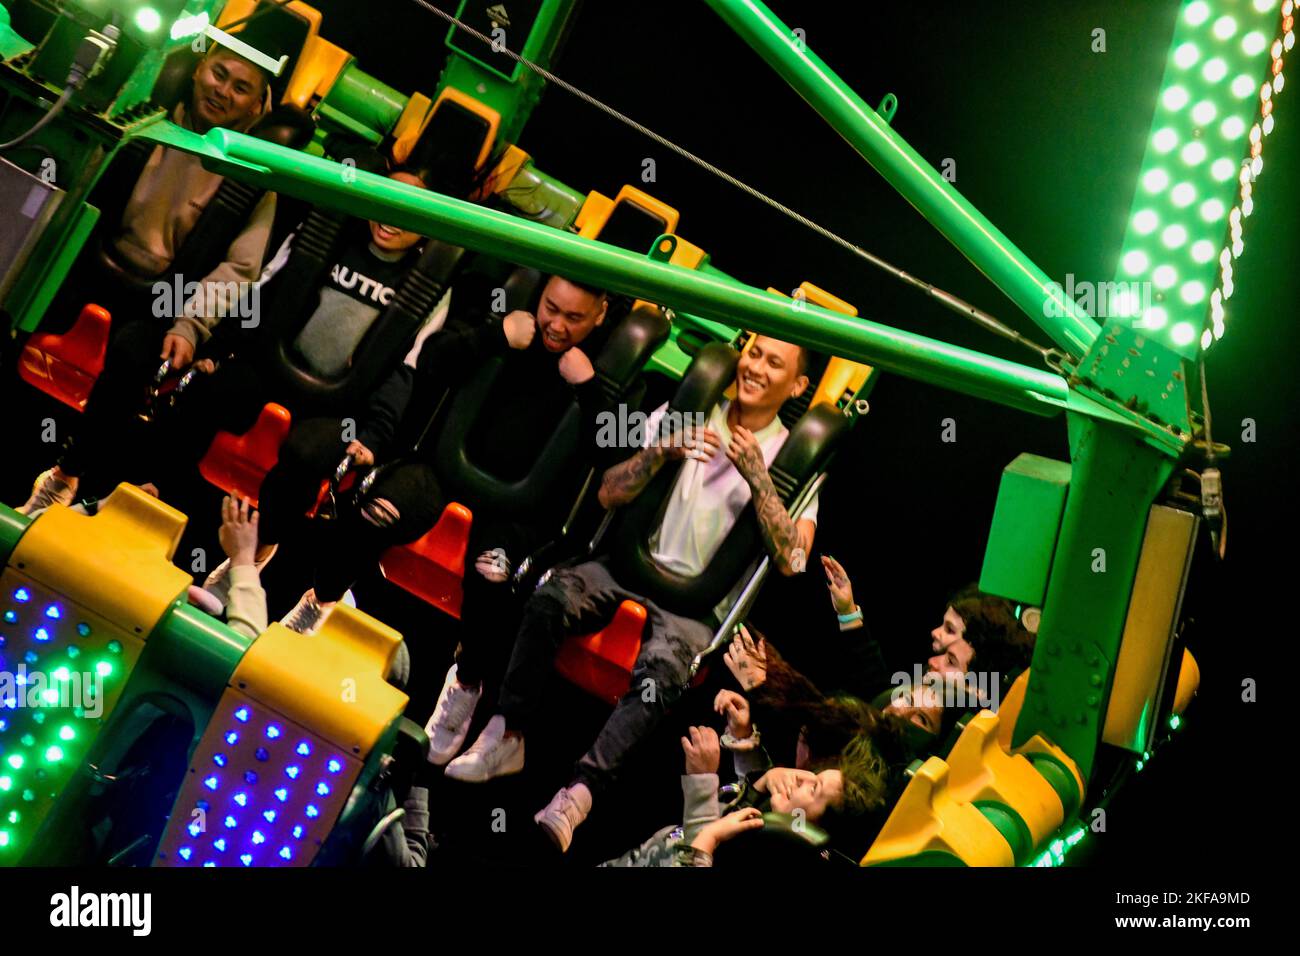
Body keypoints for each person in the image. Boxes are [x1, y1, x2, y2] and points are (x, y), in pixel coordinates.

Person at [445, 335, 823, 853]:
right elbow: (608, 491)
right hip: (627, 566)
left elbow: (793, 562)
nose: (755, 367)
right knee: (548, 598)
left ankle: (579, 793)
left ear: (798, 385)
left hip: (694, 604)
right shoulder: (688, 408)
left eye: (773, 363)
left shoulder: (792, 464)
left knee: (661, 677)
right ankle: (507, 733)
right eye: (753, 353)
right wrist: (661, 450)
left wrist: (759, 477)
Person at [139, 168, 453, 631]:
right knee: (206, 392)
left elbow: (406, 367)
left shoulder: (428, 285)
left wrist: (374, 435)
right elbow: (263, 292)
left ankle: (250, 559)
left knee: (306, 454)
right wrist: (217, 352)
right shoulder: (325, 236)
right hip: (275, 368)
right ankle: (151, 504)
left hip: (340, 404)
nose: (389, 219)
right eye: (383, 202)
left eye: (406, 212)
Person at [17, 44, 277, 514]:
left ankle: (68, 477)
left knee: (135, 356)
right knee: (16, 298)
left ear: (258, 107)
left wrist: (190, 325)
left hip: (162, 296)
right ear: (199, 69)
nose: (223, 91)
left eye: (241, 89)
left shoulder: (255, 179)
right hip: (93, 258)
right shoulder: (144, 120)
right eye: (219, 73)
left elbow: (239, 268)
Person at [419, 272, 619, 761]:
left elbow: (611, 452)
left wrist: (589, 388)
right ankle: (321, 597)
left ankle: (466, 682)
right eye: (552, 307)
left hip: (523, 510)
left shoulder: (611, 362)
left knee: (494, 571)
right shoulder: (506, 310)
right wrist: (494, 336)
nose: (557, 325)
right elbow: (430, 361)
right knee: (380, 503)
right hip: (451, 472)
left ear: (600, 314)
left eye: (574, 317)